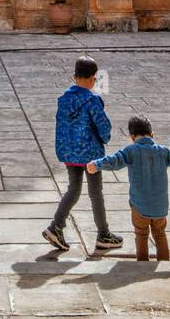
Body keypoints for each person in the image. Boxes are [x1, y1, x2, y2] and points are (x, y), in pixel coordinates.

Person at [87, 114, 170, 260]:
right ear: (152, 135)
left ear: (132, 137)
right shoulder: (163, 151)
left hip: (139, 206)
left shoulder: (130, 151)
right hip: (160, 207)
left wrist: (96, 164)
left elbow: (114, 160)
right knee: (160, 235)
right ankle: (165, 263)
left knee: (141, 235)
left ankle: (143, 264)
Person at [42, 55, 123, 254]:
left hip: (69, 152)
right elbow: (103, 126)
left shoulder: (64, 98)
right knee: (96, 193)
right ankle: (103, 234)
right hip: (90, 154)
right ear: (93, 78)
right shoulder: (92, 100)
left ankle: (56, 226)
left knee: (74, 189)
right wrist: (106, 138)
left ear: (74, 76)